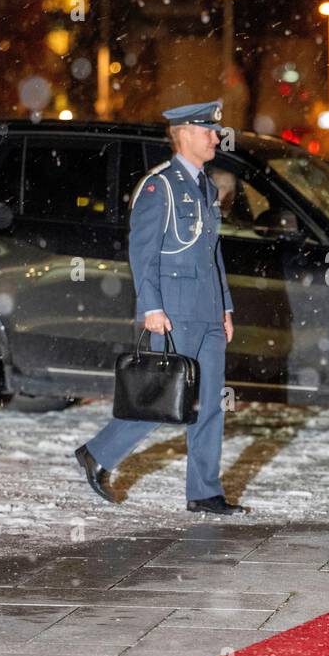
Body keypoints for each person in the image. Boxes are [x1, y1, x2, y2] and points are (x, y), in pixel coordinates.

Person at [74, 101, 245, 515]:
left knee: (210, 403)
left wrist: (225, 307)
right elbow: (142, 252)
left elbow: (212, 253)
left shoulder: (206, 186)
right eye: (207, 130)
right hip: (172, 311)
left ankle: (204, 491)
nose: (215, 137)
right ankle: (98, 453)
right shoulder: (160, 187)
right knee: (163, 401)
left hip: (206, 313)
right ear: (184, 133)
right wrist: (150, 307)